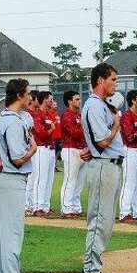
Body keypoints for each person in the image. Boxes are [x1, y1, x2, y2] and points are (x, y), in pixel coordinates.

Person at [0, 78, 43, 273]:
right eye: (28, 93)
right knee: (13, 231)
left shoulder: (3, 117)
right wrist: (33, 150)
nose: (30, 97)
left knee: (3, 231)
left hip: (5, 177)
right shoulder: (13, 121)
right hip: (13, 178)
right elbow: (18, 158)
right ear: (19, 95)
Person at [80, 62, 124, 273]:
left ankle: (93, 268)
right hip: (103, 166)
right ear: (100, 80)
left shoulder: (103, 105)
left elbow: (97, 142)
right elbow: (103, 141)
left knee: (105, 221)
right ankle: (90, 271)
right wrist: (116, 125)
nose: (116, 83)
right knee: (99, 220)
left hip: (110, 164)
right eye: (113, 79)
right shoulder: (95, 106)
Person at [118, 90, 137, 223]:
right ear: (133, 101)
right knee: (129, 183)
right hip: (130, 151)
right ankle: (124, 213)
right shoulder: (126, 116)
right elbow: (129, 137)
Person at [58, 90, 86, 218]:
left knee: (79, 182)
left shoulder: (79, 115)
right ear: (69, 101)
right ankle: (66, 208)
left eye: (79, 99)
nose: (79, 101)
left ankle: (75, 207)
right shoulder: (67, 115)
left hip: (82, 150)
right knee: (70, 180)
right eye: (76, 99)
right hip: (70, 149)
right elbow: (75, 133)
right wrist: (85, 128)